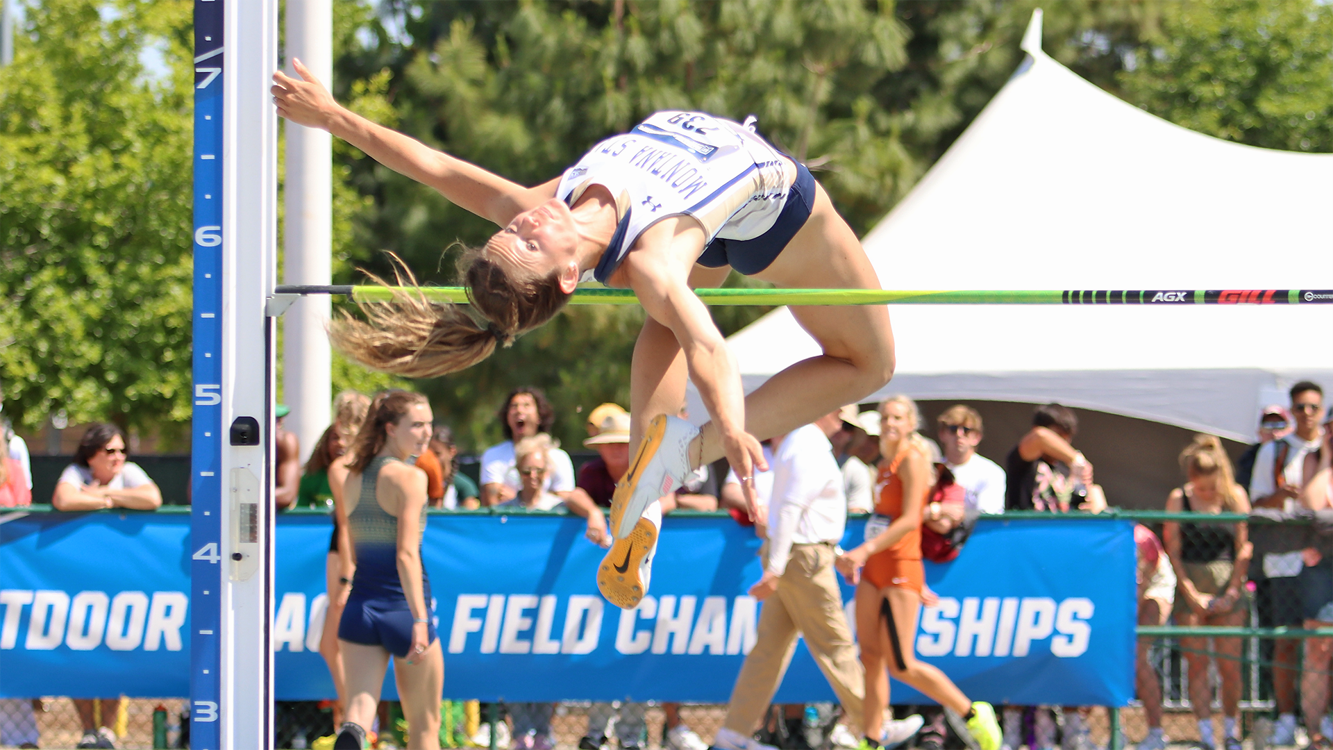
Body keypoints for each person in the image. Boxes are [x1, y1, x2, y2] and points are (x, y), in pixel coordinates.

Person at [271, 74, 897, 608]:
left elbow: (433, 168)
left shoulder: (552, 203)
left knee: (666, 321)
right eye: (533, 241)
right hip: (775, 213)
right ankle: (679, 459)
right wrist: (731, 429)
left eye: (517, 227)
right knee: (869, 364)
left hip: (708, 227)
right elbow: (710, 347)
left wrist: (332, 117)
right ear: (569, 275)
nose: (530, 219)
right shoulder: (653, 263)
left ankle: (646, 500)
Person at [714, 411, 900, 750]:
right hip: (803, 560)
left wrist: (831, 552)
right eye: (842, 415)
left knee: (768, 652)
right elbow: (790, 510)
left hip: (801, 555)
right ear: (829, 411)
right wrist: (776, 568)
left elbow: (801, 514)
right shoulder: (808, 445)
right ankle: (878, 726)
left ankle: (732, 735)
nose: (844, 425)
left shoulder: (801, 442)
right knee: (836, 645)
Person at [835, 396, 1000, 750]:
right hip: (875, 571)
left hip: (900, 568)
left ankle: (972, 713)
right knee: (871, 659)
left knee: (902, 664)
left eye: (897, 417)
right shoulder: (883, 463)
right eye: (884, 416)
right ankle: (872, 737)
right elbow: (882, 519)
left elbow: (911, 518)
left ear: (911, 423)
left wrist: (863, 551)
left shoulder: (913, 458)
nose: (890, 423)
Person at [334, 390, 442, 750]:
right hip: (402, 610)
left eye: (429, 424)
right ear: (391, 428)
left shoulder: (351, 476)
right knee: (425, 726)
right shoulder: (409, 477)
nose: (427, 432)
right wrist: (420, 619)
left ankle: (351, 734)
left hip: (360, 609)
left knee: (359, 712)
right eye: (417, 425)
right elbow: (406, 554)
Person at [50, 423, 162, 747]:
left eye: (122, 450)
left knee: (114, 649)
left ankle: (108, 731)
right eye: (109, 451)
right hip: (79, 578)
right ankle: (88, 730)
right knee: (79, 653)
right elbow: (64, 499)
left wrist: (103, 496)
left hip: (119, 579)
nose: (118, 457)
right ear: (91, 455)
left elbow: (152, 498)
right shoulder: (74, 471)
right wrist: (112, 500)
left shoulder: (130, 471)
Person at [1249, 382, 1327, 746]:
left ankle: (1321, 718)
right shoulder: (1274, 451)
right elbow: (1256, 506)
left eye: (1313, 407)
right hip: (1285, 561)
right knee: (1286, 642)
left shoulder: (1327, 449)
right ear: (1292, 410)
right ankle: (1285, 716)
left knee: (1323, 644)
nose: (1306, 413)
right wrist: (1281, 496)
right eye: (1300, 407)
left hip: (1325, 561)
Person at [1162, 435, 1251, 750]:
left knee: (1229, 663)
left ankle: (1230, 729)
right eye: (1201, 489)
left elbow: (1244, 547)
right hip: (1191, 585)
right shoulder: (1178, 499)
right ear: (1191, 479)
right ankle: (1205, 734)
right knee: (1197, 663)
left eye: (1212, 488)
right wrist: (1190, 592)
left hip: (1229, 585)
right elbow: (1172, 549)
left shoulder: (1236, 496)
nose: (1207, 494)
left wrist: (1232, 591)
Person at [299, 390, 372, 735]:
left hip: (345, 556)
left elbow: (346, 525)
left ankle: (357, 726)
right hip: (359, 552)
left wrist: (346, 576)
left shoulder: (343, 469)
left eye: (343, 427)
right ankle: (352, 723)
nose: (338, 435)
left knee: (338, 645)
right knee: (332, 644)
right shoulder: (374, 466)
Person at [1298, 415, 1333, 750]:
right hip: (1322, 565)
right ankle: (1315, 732)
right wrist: (1324, 458)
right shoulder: (1313, 460)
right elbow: (1311, 504)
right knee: (1318, 649)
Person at [479, 388, 575, 506]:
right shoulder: (493, 455)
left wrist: (519, 499)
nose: (519, 410)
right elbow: (492, 502)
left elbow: (563, 502)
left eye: (526, 405)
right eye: (514, 406)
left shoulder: (559, 457)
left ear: (539, 416)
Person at [1134, 525, 1176, 750]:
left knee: (1136, 655)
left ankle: (1156, 733)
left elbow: (1147, 581)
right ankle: (1114, 731)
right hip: (1124, 593)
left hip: (1155, 590)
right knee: (1110, 656)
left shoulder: (1139, 537)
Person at [936, 406, 1004, 516]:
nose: (959, 434)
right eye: (953, 429)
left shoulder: (992, 472)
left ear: (976, 437)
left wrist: (945, 511)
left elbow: (987, 516)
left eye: (966, 430)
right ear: (942, 434)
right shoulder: (932, 471)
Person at [427, 425, 480, 509]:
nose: (432, 460)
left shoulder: (463, 487)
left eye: (437, 454)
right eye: (429, 454)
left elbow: (469, 518)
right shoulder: (419, 482)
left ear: (452, 452)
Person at [834, 405, 874, 514]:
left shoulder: (857, 470)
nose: (838, 428)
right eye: (836, 420)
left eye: (846, 426)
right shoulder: (804, 459)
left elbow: (857, 513)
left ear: (852, 434)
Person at [275, 404, 301, 510]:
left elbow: (287, 495)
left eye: (279, 420)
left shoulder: (286, 441)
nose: (281, 422)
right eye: (275, 419)